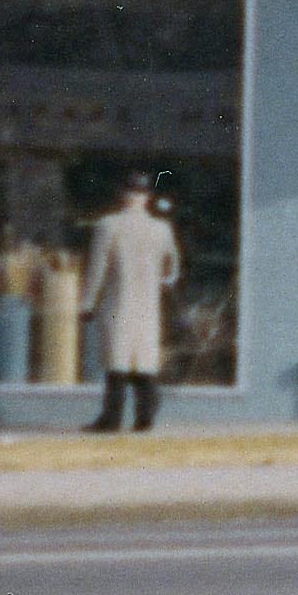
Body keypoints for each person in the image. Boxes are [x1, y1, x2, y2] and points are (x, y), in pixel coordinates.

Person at [81, 174, 180, 433]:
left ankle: (111, 418)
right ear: (147, 197)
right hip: (147, 304)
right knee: (143, 362)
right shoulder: (161, 229)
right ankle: (145, 416)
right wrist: (163, 283)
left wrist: (88, 302)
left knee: (117, 363)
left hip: (119, 301)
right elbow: (172, 266)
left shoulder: (108, 226)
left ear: (123, 195)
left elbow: (97, 268)